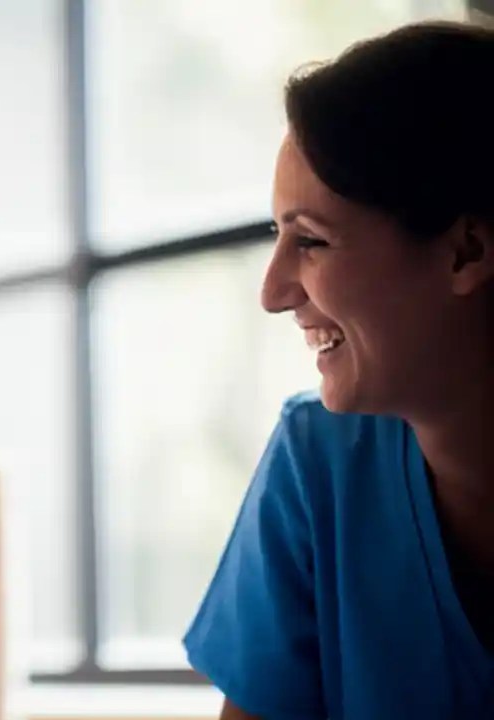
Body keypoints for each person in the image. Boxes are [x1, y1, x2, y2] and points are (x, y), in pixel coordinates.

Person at [184, 20, 494, 719]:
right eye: (278, 237)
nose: (272, 292)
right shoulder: (317, 461)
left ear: (466, 251)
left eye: (312, 240)